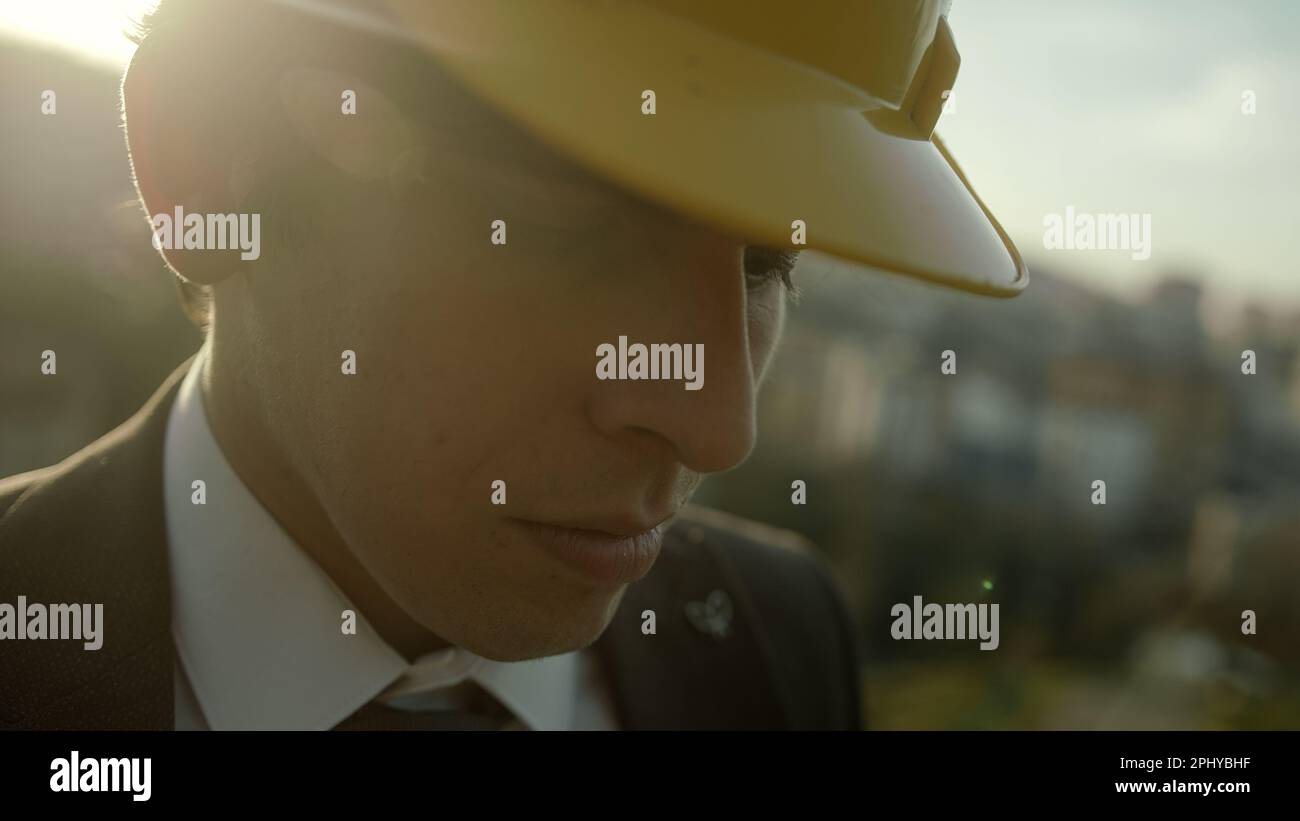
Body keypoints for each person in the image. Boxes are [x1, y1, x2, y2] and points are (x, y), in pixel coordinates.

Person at [0, 0, 1025, 730]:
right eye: (562, 233)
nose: (720, 424)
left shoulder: (782, 637)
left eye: (769, 267)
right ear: (204, 163)